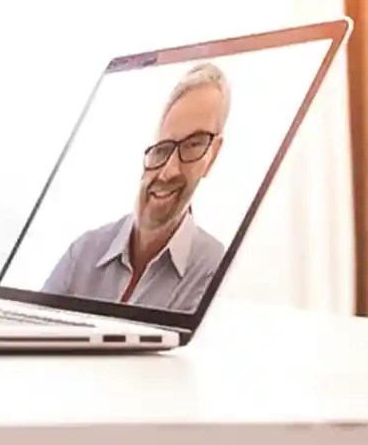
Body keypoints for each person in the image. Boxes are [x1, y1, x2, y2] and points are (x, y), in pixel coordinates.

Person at [41, 62, 229, 312]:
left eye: (193, 145)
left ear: (213, 155)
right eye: (162, 148)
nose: (168, 171)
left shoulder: (213, 270)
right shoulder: (83, 252)